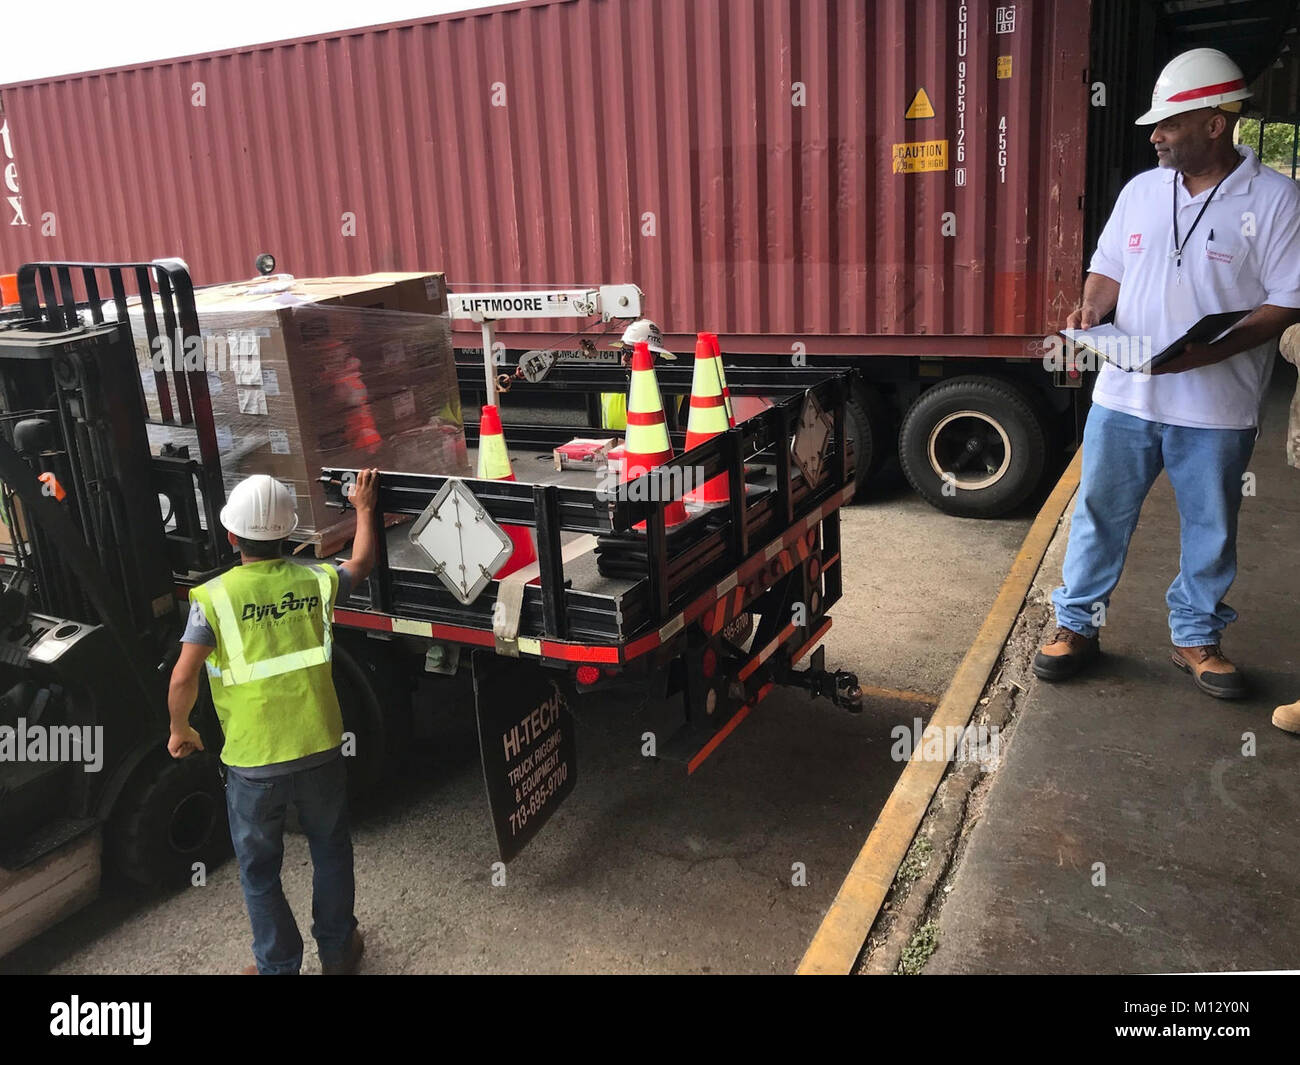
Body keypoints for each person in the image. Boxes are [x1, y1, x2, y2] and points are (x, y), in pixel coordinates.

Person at [1033, 48, 1300, 699]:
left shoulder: (1274, 199)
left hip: (1215, 405)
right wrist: (1093, 304)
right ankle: (1078, 624)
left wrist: (1210, 350)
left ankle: (1195, 638)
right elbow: (1106, 269)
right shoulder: (1140, 191)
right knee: (1098, 512)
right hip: (1124, 393)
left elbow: (1287, 300)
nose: (1154, 135)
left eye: (1169, 124)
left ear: (1215, 122)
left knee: (1210, 525)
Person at [168, 469, 379, 974]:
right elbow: (363, 562)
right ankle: (337, 951)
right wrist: (364, 508)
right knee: (330, 848)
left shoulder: (214, 598)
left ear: (231, 535)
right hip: (320, 748)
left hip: (253, 762)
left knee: (260, 871)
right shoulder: (316, 579)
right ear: (289, 534)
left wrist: (181, 729)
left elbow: (182, 678)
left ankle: (278, 967)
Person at [600, 318, 677, 430]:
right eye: (623, 351)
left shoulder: (674, 392)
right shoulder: (608, 387)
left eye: (631, 353)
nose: (624, 358)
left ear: (653, 356)